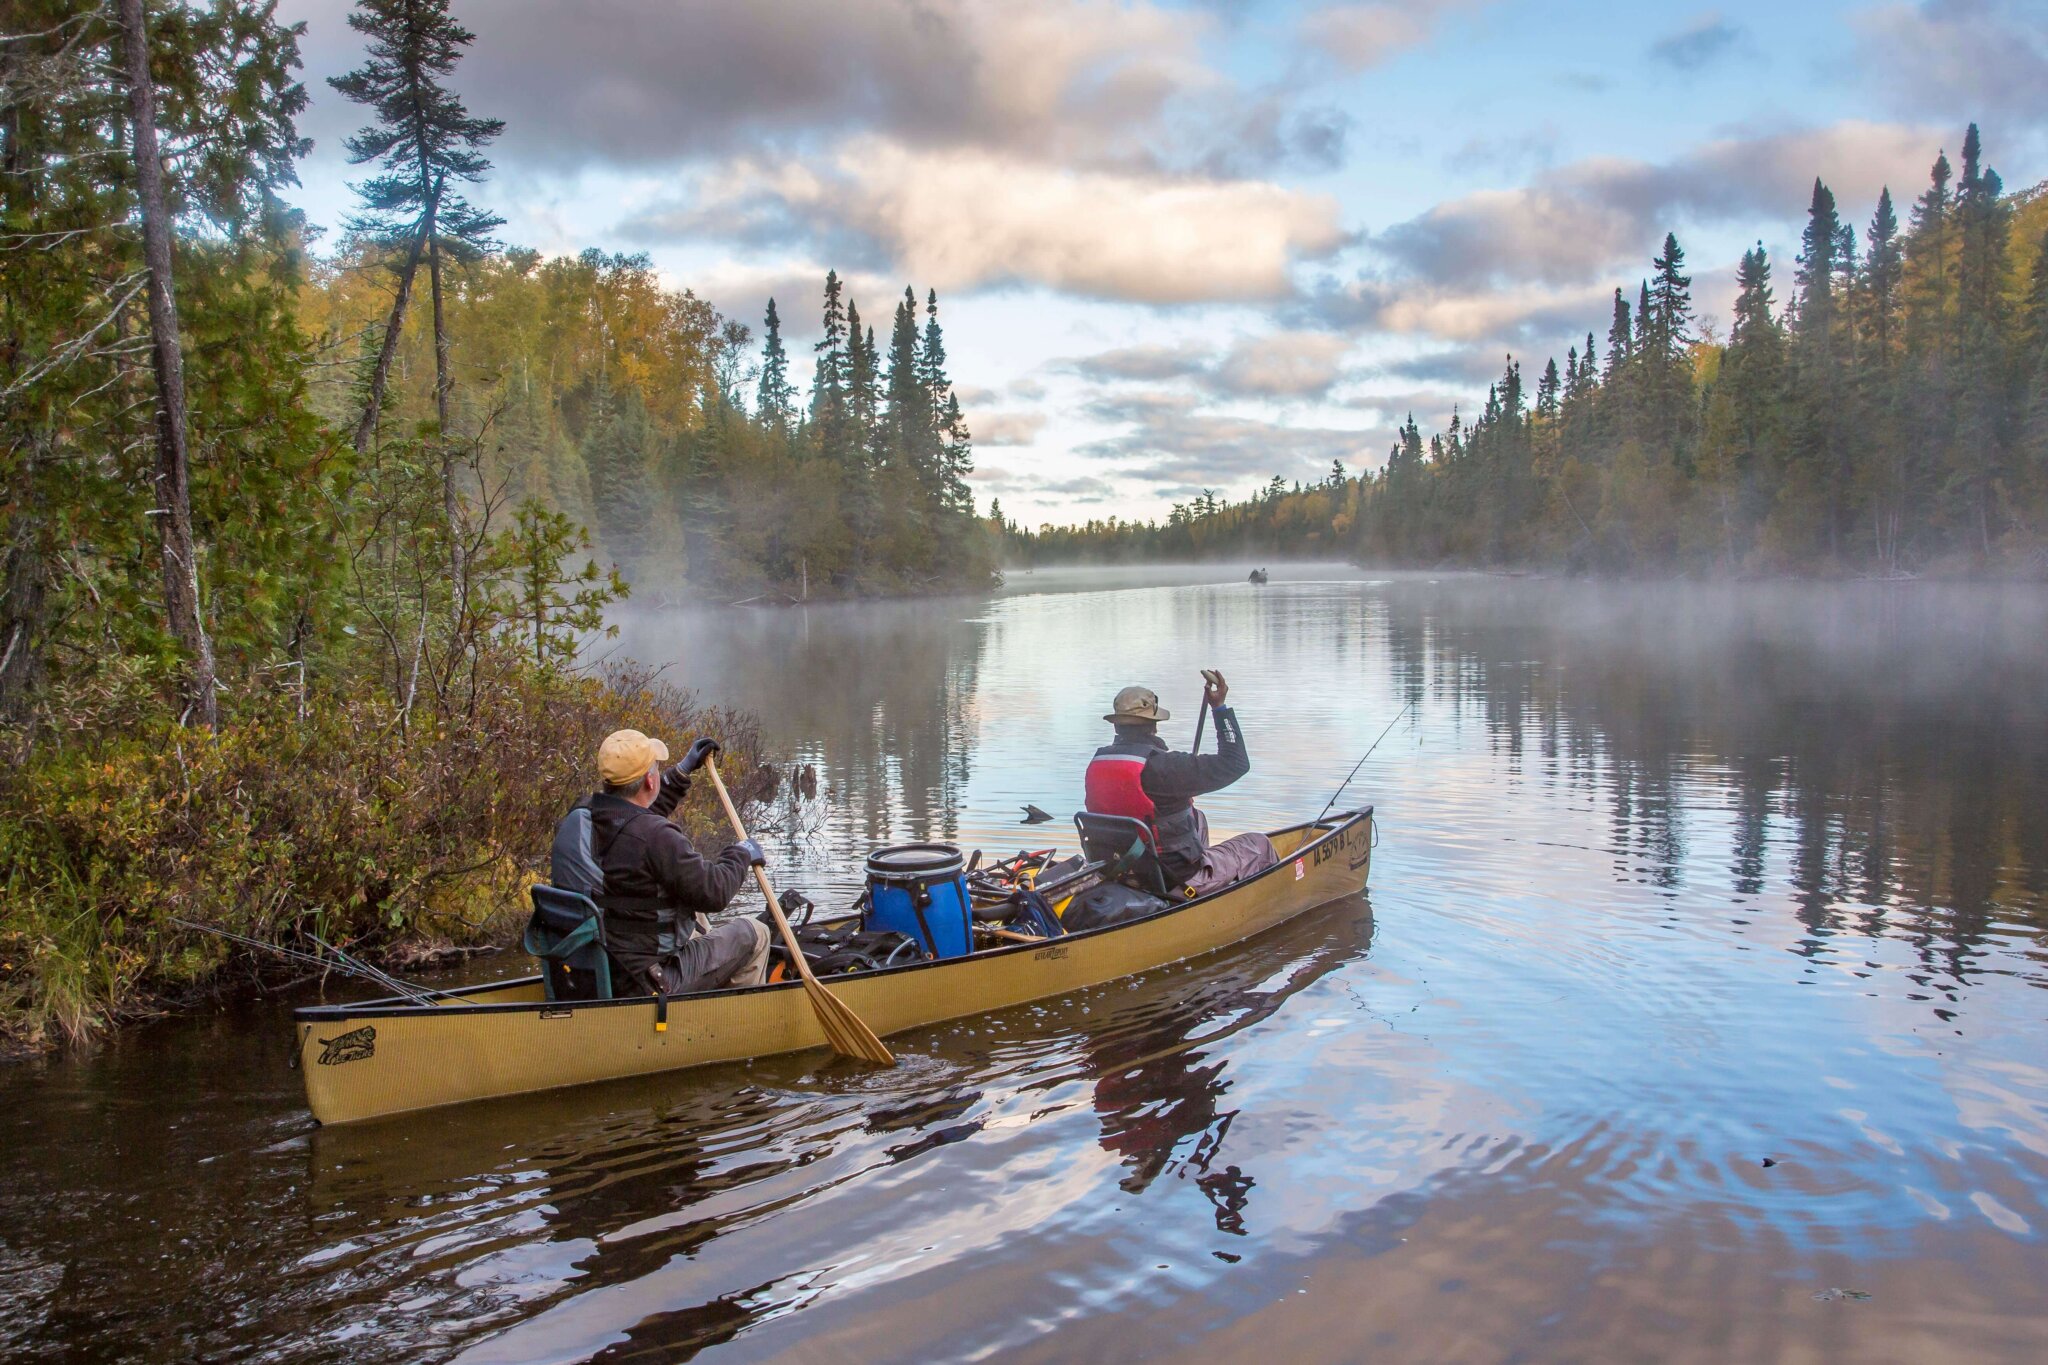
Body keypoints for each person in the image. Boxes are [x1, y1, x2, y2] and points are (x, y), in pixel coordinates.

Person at [550, 728, 771, 995]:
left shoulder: (580, 817)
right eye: (656, 768)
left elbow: (631, 820)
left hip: (592, 969)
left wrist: (681, 773)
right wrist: (741, 854)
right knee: (756, 933)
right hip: (644, 981)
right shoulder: (655, 836)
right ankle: (730, 1014)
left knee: (694, 913)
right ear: (649, 780)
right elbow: (715, 892)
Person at [1084, 670, 1278, 896]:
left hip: (1119, 869)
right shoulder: (1166, 767)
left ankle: (1210, 880)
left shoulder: (1099, 762)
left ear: (1117, 726)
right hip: (1170, 877)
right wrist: (1219, 708)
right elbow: (1236, 764)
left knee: (1197, 816)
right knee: (1259, 844)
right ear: (1153, 725)